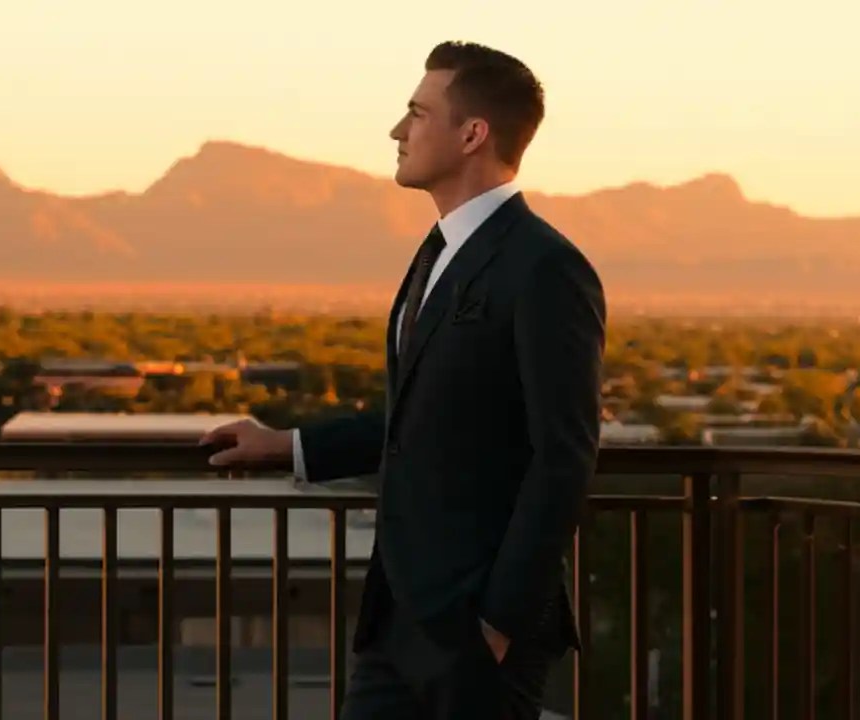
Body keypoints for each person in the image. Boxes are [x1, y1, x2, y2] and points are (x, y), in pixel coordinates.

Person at [200, 40, 605, 720]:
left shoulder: (545, 268)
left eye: (417, 114)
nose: (397, 130)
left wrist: (498, 623)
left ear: (472, 134)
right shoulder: (437, 253)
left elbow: (563, 457)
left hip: (477, 628)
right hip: (400, 619)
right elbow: (425, 418)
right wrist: (291, 446)